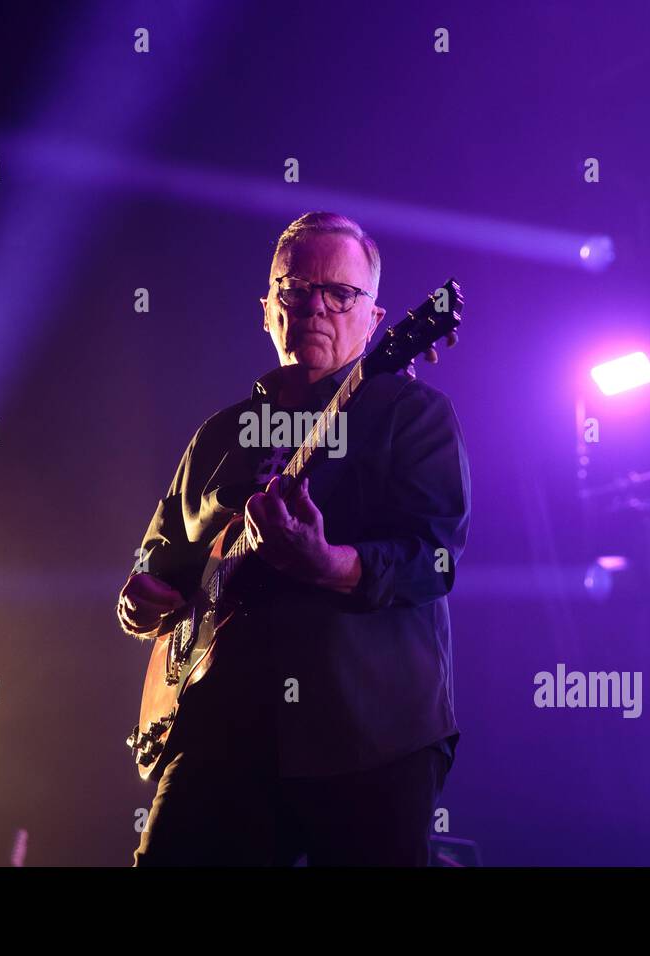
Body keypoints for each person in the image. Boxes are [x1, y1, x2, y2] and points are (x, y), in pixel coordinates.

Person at [117, 211, 471, 865]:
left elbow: (436, 559)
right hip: (221, 735)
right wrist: (140, 599)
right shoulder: (219, 434)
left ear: (375, 318)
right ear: (267, 308)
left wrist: (330, 563)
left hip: (370, 739)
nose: (316, 306)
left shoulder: (411, 416)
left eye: (341, 293)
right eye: (296, 288)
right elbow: (159, 553)